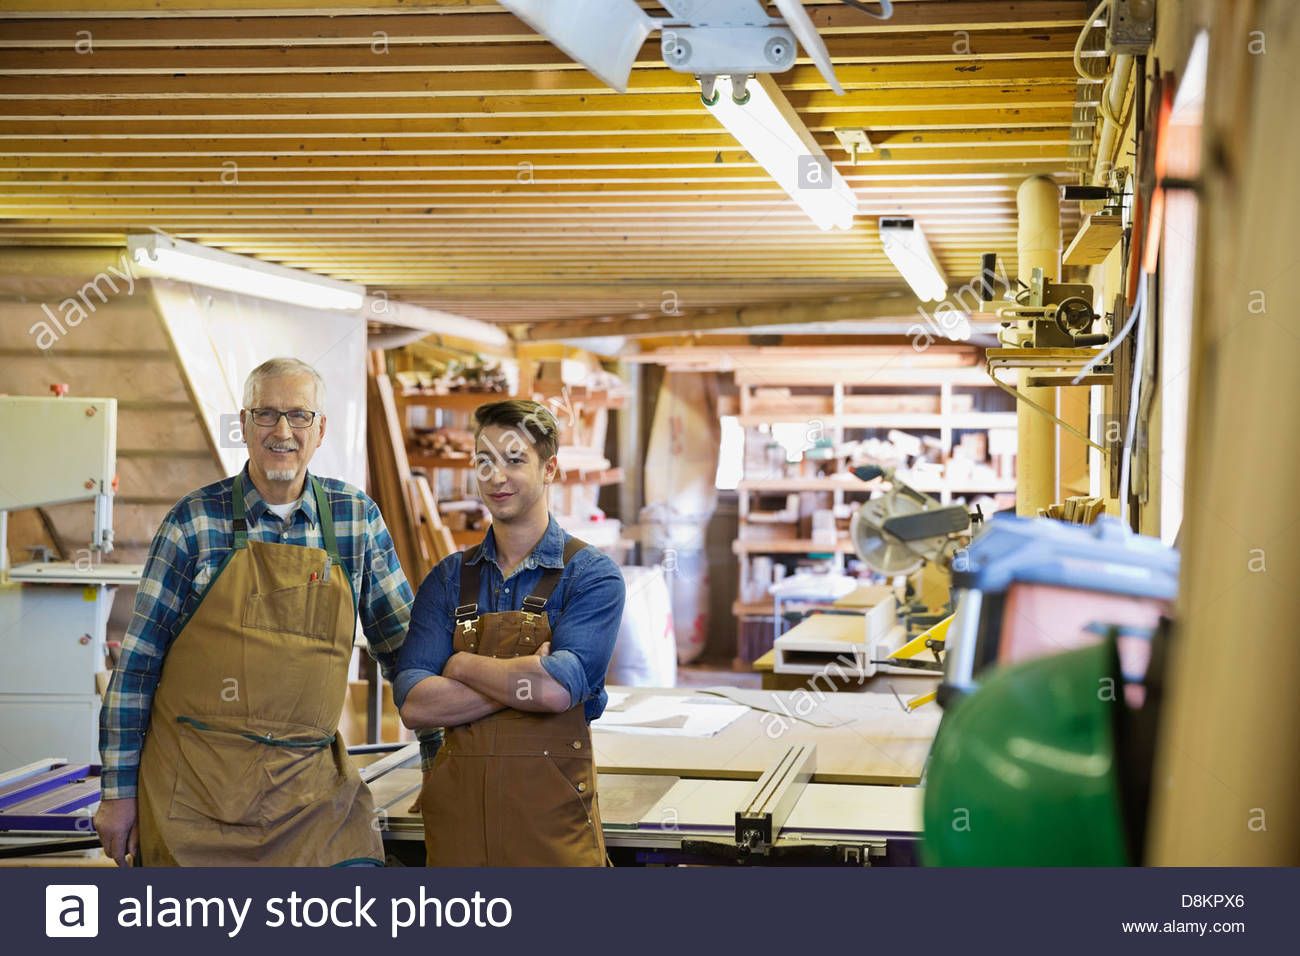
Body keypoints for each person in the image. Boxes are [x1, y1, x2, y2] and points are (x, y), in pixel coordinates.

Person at [94, 357, 437, 866]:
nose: (282, 431)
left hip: (312, 799)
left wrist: (441, 765)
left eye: (299, 416)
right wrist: (118, 794)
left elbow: (406, 652)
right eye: (266, 414)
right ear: (243, 425)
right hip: (195, 798)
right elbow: (138, 668)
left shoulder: (355, 518)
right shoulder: (193, 522)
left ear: (320, 430)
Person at [396, 399, 625, 866]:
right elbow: (416, 704)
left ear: (550, 469)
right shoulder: (446, 579)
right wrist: (526, 679)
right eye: (485, 462)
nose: (496, 477)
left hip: (553, 840)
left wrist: (459, 665)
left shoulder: (591, 577)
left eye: (515, 460)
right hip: (458, 840)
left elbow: (558, 690)